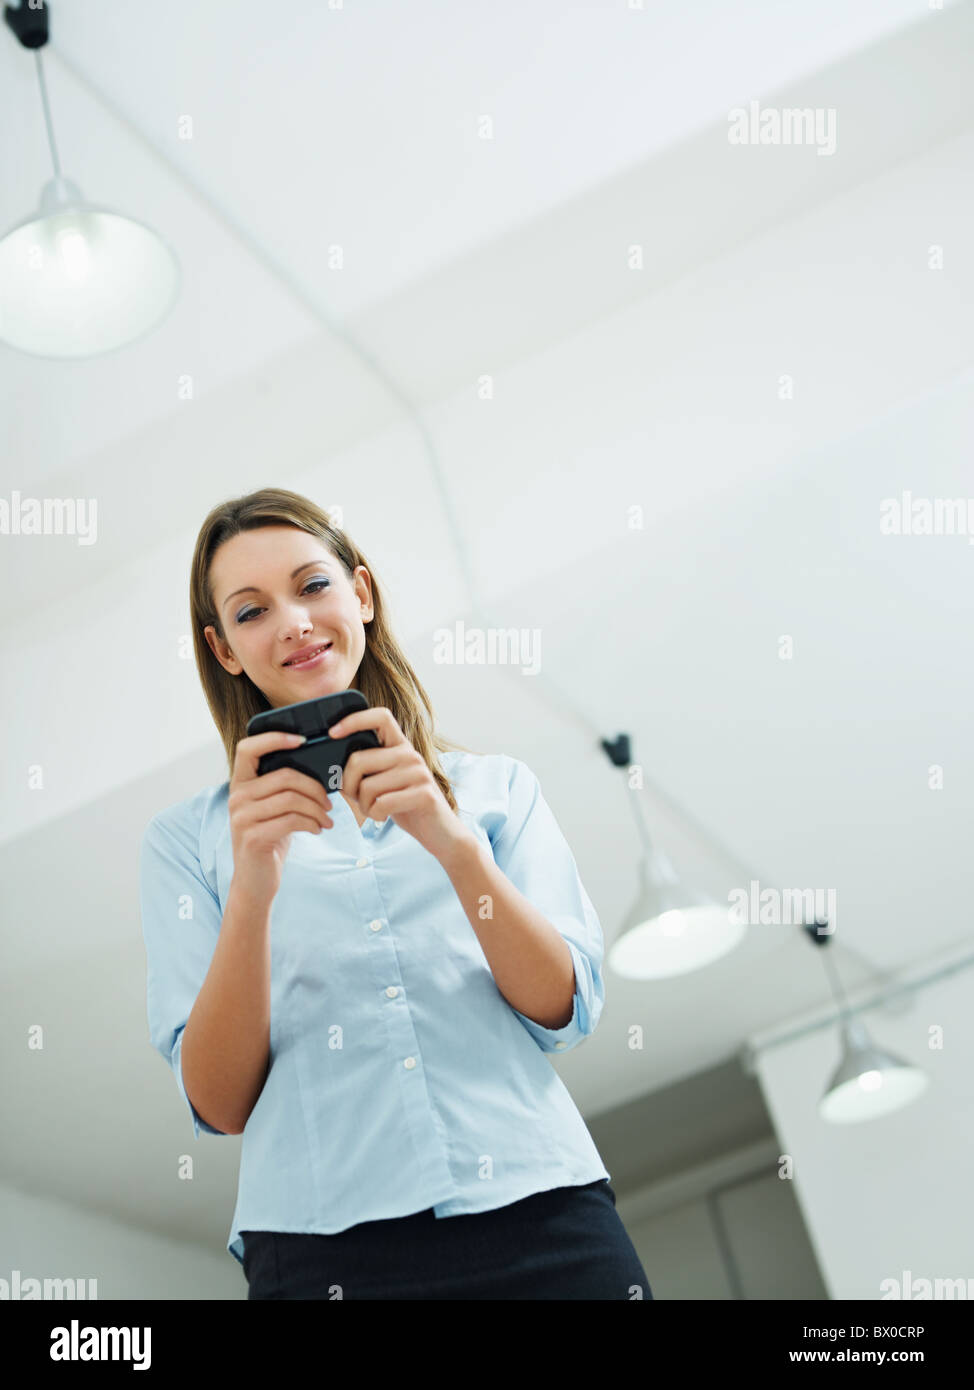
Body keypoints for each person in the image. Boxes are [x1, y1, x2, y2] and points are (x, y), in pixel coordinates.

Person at [139, 486, 652, 1300]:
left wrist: (455, 849)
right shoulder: (187, 842)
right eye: (251, 611)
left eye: (313, 586)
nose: (295, 623)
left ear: (362, 595)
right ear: (225, 648)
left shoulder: (495, 789)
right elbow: (218, 1100)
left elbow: (564, 1009)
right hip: (323, 1252)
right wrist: (254, 889)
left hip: (542, 1214)